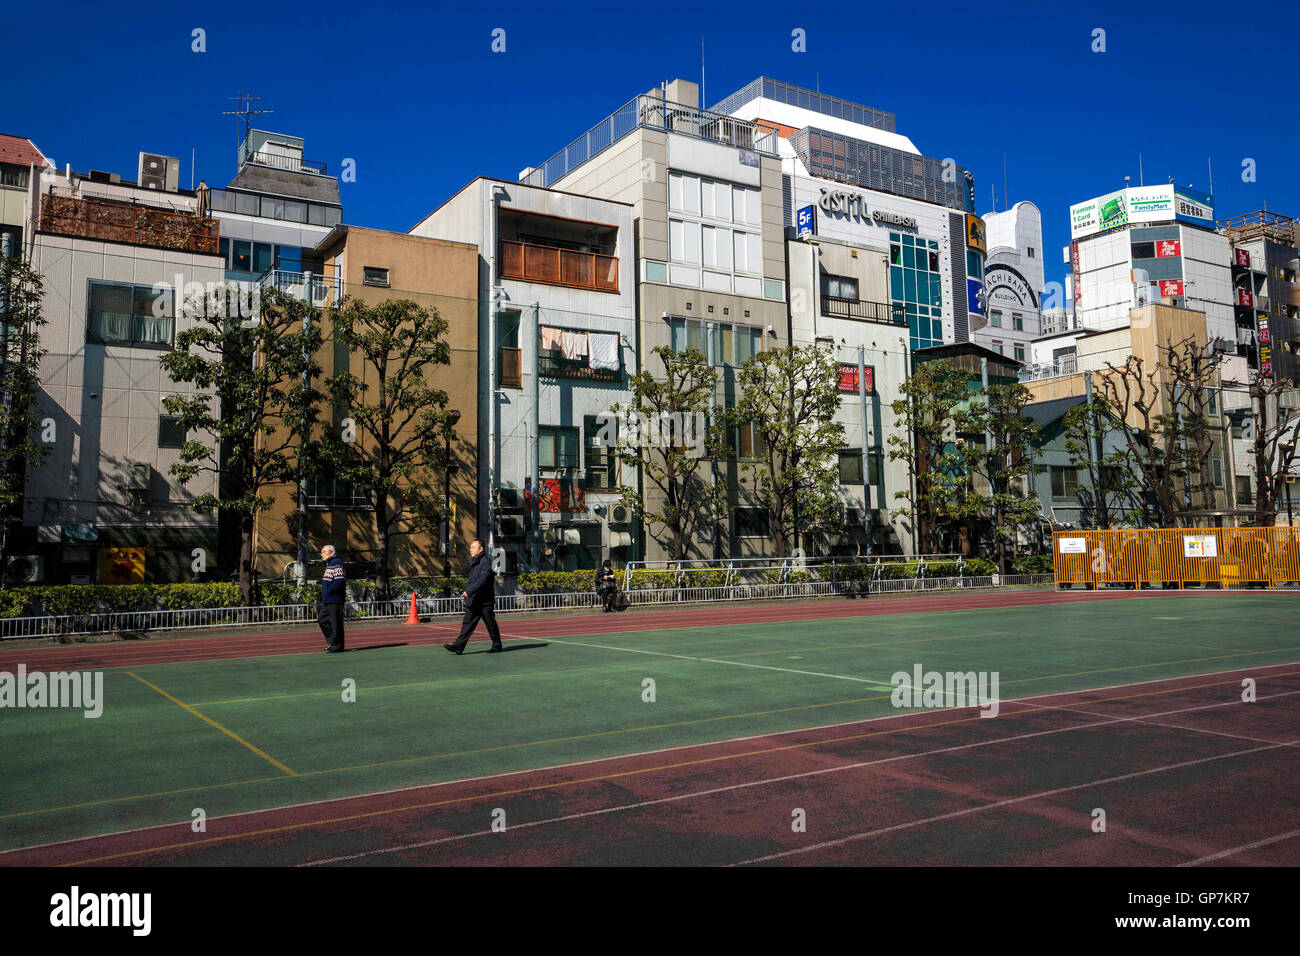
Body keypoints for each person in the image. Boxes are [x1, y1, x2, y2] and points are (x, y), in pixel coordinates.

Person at [444, 540, 503, 654]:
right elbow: (473, 579)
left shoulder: (485, 562)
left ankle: (497, 644)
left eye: (473, 547)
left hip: (485, 601)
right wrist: (468, 592)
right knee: (467, 623)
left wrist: (469, 591)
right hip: (474, 600)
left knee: (490, 624)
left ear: (480, 549)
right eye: (470, 547)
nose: (470, 549)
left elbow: (482, 580)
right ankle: (458, 646)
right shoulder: (474, 561)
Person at [318, 544, 346, 653]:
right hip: (328, 599)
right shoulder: (330, 563)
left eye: (324, 552)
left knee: (336, 623)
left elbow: (340, 581)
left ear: (332, 553)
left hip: (335, 599)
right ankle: (333, 641)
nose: (322, 554)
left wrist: (329, 591)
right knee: (322, 619)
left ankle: (337, 645)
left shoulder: (336, 563)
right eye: (322, 552)